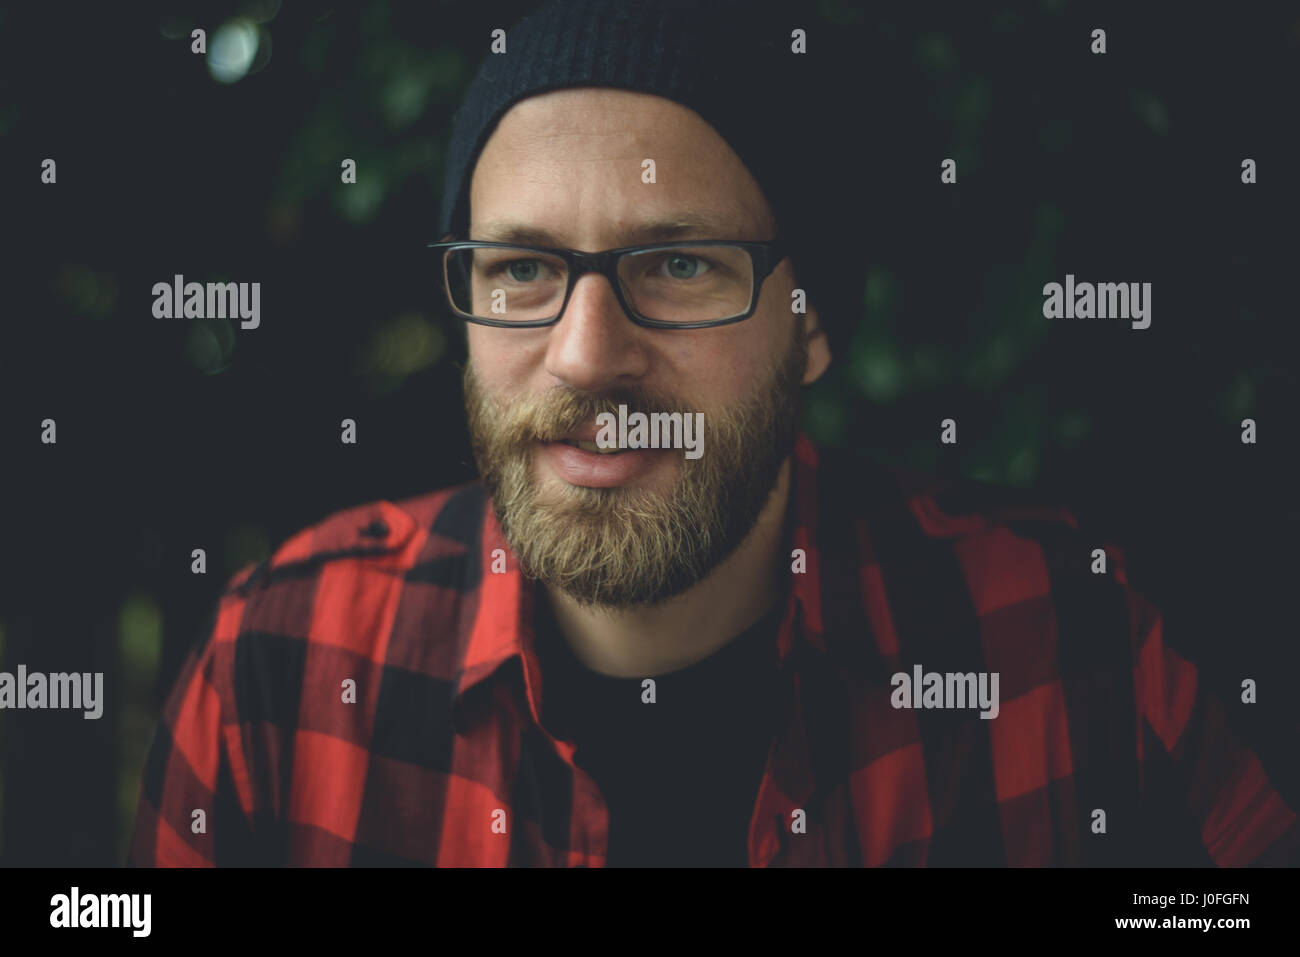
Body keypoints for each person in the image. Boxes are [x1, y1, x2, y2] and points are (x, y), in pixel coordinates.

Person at [129, 0, 1297, 867]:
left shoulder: (1061, 649)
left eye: (680, 263)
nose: (587, 353)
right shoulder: (280, 675)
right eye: (523, 269)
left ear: (813, 323)